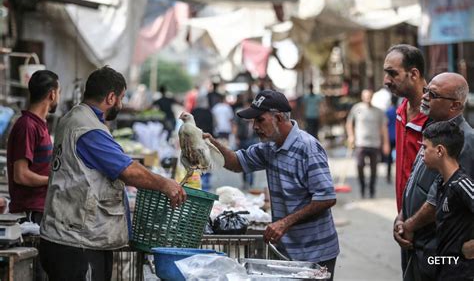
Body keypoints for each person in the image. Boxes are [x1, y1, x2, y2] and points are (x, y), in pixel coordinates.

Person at [39, 66, 186, 281]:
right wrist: (166, 184)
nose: (122, 103)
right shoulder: (89, 129)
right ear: (110, 97)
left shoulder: (73, 118)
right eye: (122, 98)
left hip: (68, 237)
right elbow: (128, 171)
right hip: (77, 242)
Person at [204, 90, 339, 280]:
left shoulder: (308, 148)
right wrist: (211, 144)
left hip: (315, 251)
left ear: (278, 118)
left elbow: (326, 198)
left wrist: (285, 222)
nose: (255, 127)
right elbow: (236, 162)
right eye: (253, 122)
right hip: (286, 249)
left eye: (260, 120)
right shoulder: (269, 147)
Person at [393, 72, 474, 281]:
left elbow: (439, 196)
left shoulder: (464, 141)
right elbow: (416, 179)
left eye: (433, 94)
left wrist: (409, 225)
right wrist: (402, 215)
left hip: (438, 250)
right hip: (417, 245)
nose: (425, 97)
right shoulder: (433, 129)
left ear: (455, 106)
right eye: (426, 90)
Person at [420, 121, 474, 281]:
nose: (422, 153)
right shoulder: (441, 183)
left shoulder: (462, 184)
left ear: (439, 151)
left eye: (424, 147)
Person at [7, 70, 60, 224]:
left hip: (41, 209)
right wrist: (53, 180)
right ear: (52, 94)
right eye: (59, 92)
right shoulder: (27, 126)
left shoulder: (40, 125)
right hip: (30, 213)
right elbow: (21, 175)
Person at [384, 44, 429, 212]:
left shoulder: (436, 117)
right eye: (386, 73)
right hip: (406, 217)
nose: (386, 81)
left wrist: (413, 222)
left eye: (393, 73)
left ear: (414, 74)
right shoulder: (401, 112)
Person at [346, 89, 390, 198]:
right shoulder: (357, 109)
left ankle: (371, 188)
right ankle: (362, 187)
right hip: (360, 142)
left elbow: (384, 128)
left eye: (369, 96)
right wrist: (351, 136)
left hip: (375, 143)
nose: (367, 98)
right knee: (360, 165)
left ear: (372, 97)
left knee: (374, 168)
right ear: (362, 97)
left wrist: (386, 143)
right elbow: (349, 123)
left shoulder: (379, 112)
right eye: (365, 96)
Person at [385, 96, 398, 183]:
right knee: (398, 157)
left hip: (389, 136)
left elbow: (385, 124)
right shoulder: (399, 111)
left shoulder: (388, 112)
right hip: (398, 136)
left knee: (389, 158)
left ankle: (388, 176)